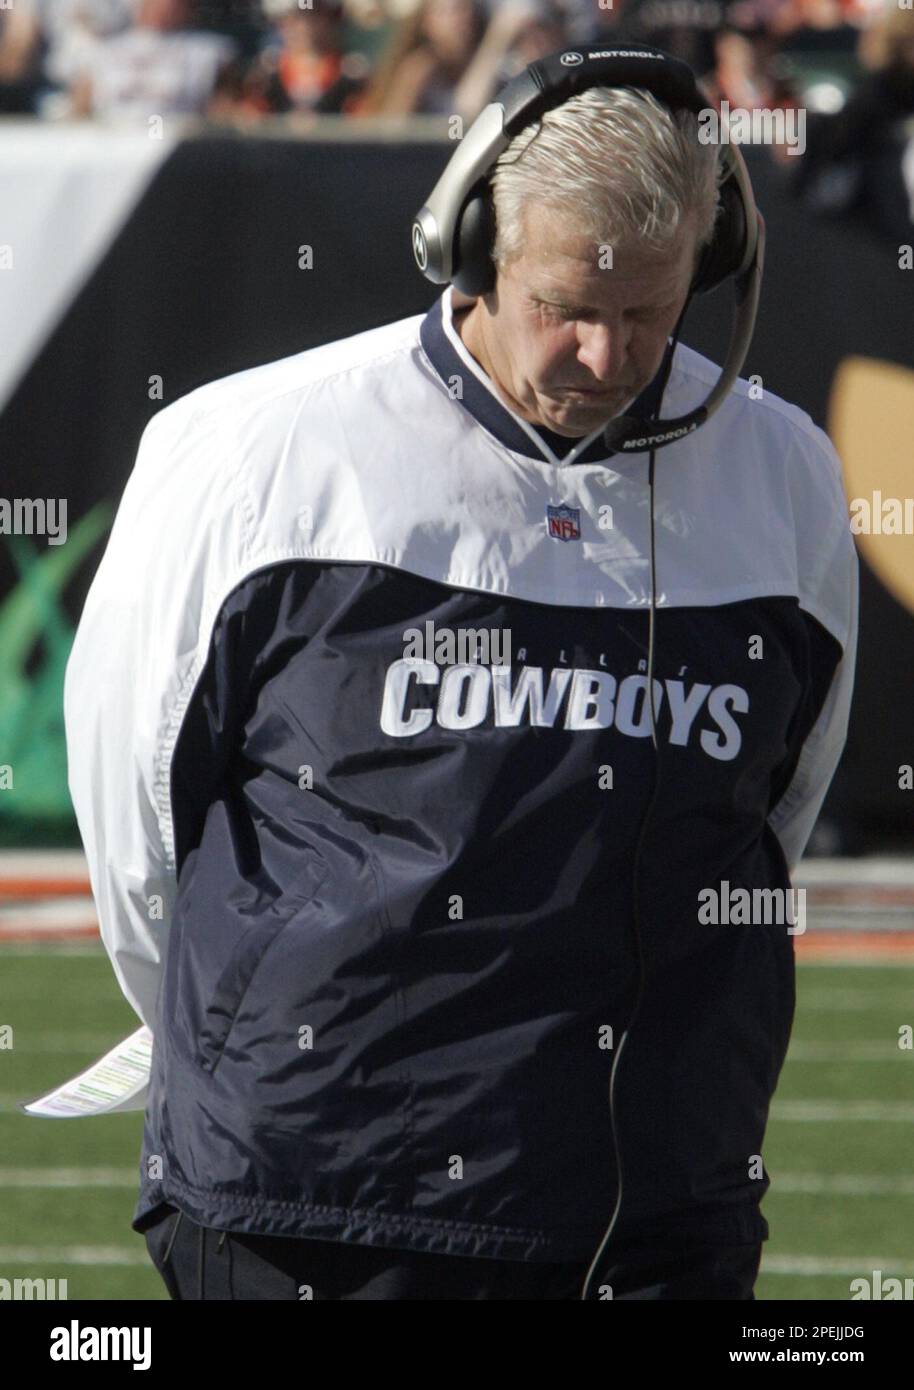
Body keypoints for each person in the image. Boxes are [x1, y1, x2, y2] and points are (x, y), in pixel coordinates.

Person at [64, 44, 858, 1300]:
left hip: (648, 1218)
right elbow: (135, 818)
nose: (605, 355)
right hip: (311, 1208)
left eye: (648, 312)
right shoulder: (252, 453)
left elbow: (776, 808)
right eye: (566, 307)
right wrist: (254, 1054)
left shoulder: (785, 474)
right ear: (473, 239)